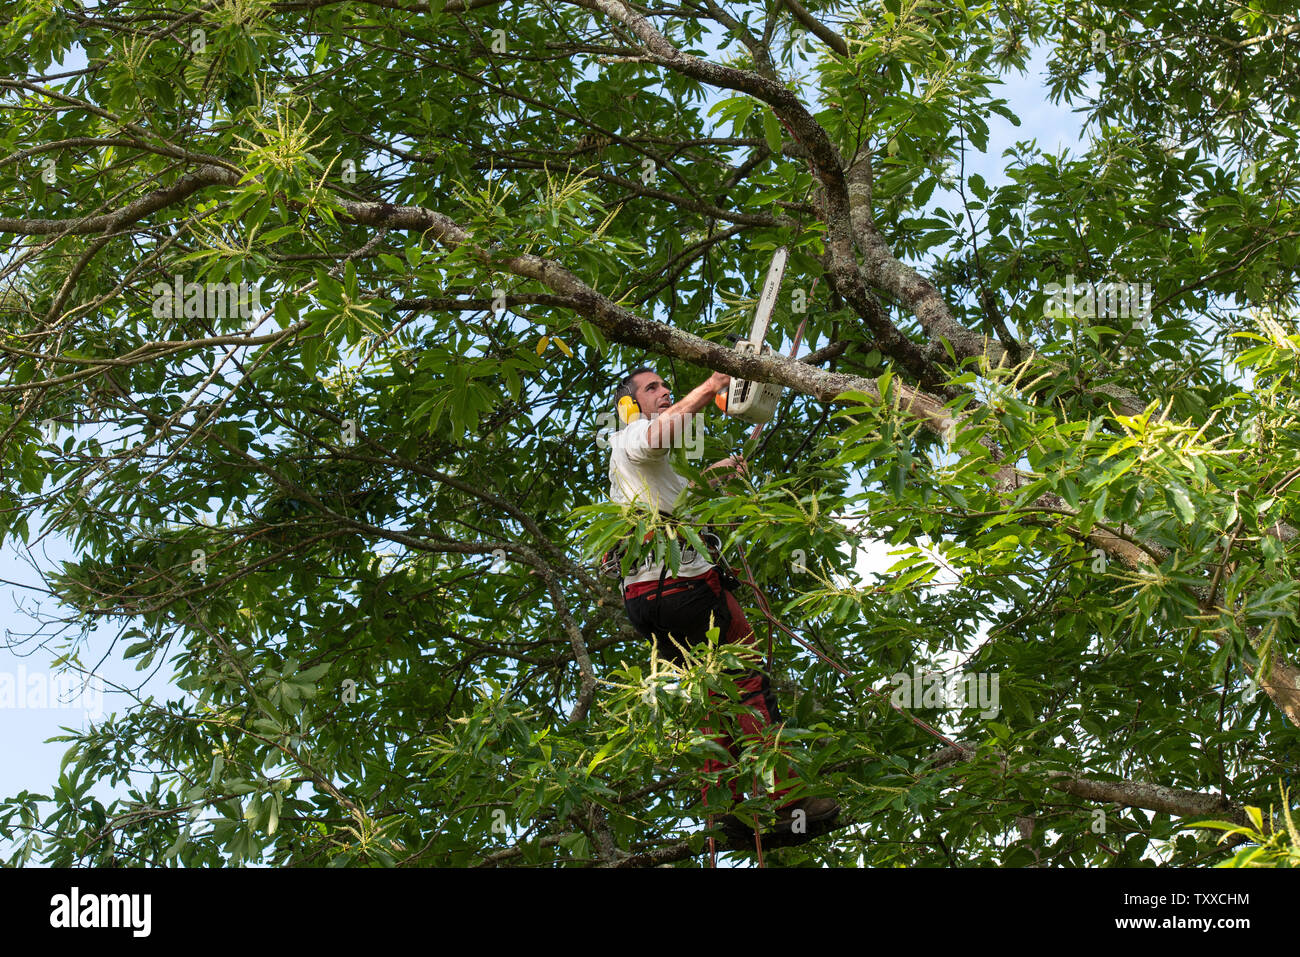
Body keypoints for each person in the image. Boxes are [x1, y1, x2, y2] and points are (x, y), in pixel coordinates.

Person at [605, 364, 839, 841]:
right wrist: (711, 386)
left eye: (665, 386)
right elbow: (654, 438)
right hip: (686, 591)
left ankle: (729, 805)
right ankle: (786, 800)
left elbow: (674, 500)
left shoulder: (641, 474)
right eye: (652, 389)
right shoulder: (632, 437)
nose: (664, 392)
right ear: (630, 404)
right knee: (748, 684)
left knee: (711, 692)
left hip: (649, 603)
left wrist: (713, 477)